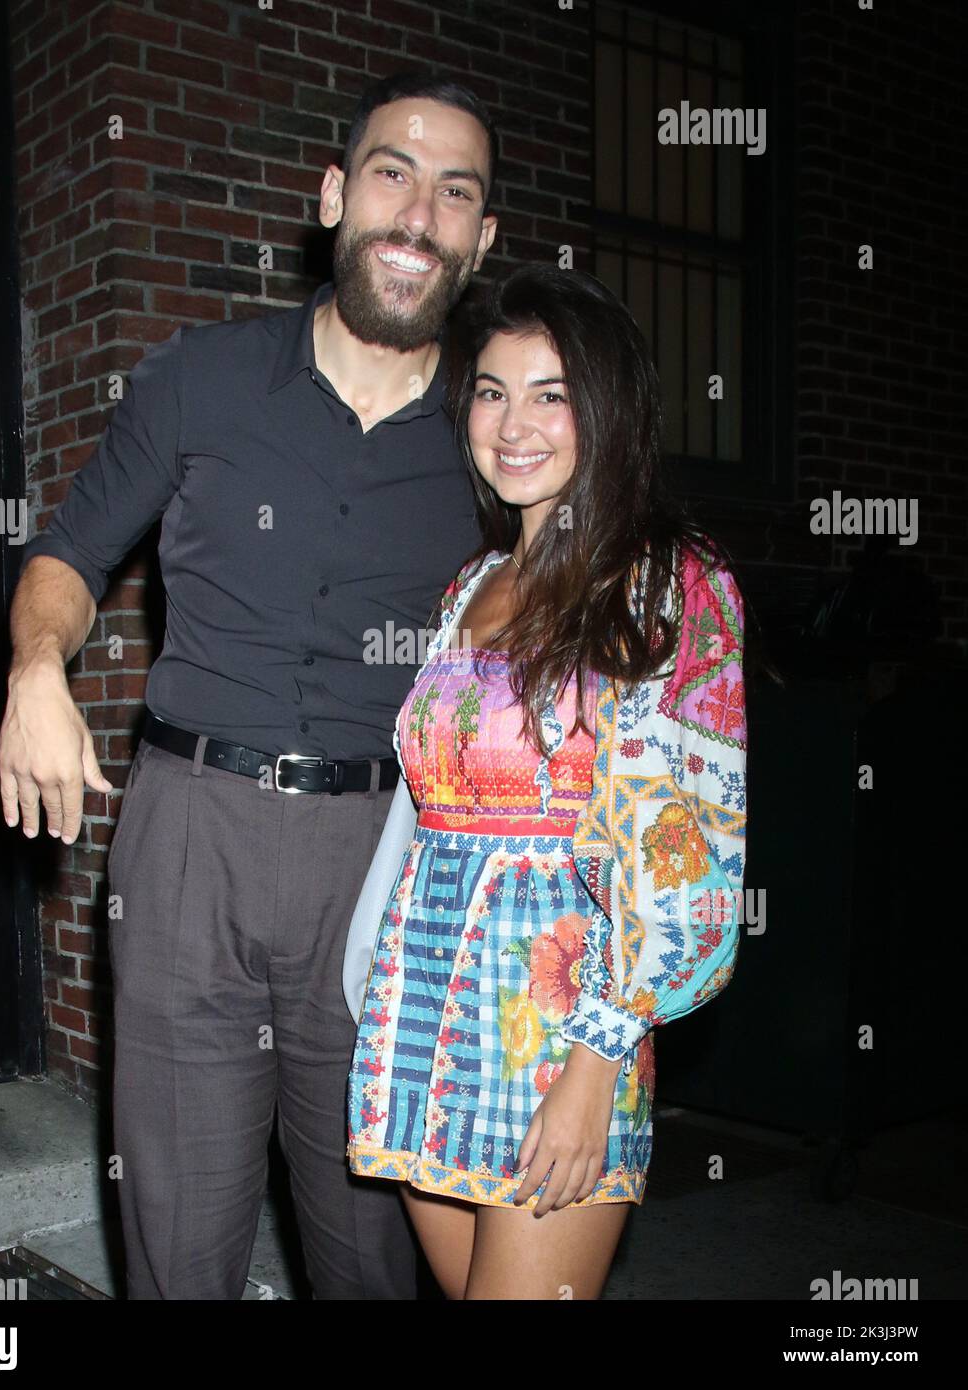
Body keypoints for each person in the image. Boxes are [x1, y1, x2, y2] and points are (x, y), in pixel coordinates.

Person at [0, 72, 501, 1299]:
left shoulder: (500, 438)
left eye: (454, 194)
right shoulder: (200, 379)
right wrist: (34, 667)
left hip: (386, 858)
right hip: (190, 843)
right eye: (392, 173)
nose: (416, 214)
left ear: (481, 241)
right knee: (178, 1238)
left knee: (372, 1249)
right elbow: (66, 554)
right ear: (335, 195)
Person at [346, 263, 749, 1300]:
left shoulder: (668, 582)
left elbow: (686, 851)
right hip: (427, 1010)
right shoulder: (466, 586)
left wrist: (597, 1064)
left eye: (550, 393)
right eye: (490, 390)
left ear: (605, 411)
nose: (512, 422)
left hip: (562, 1023)